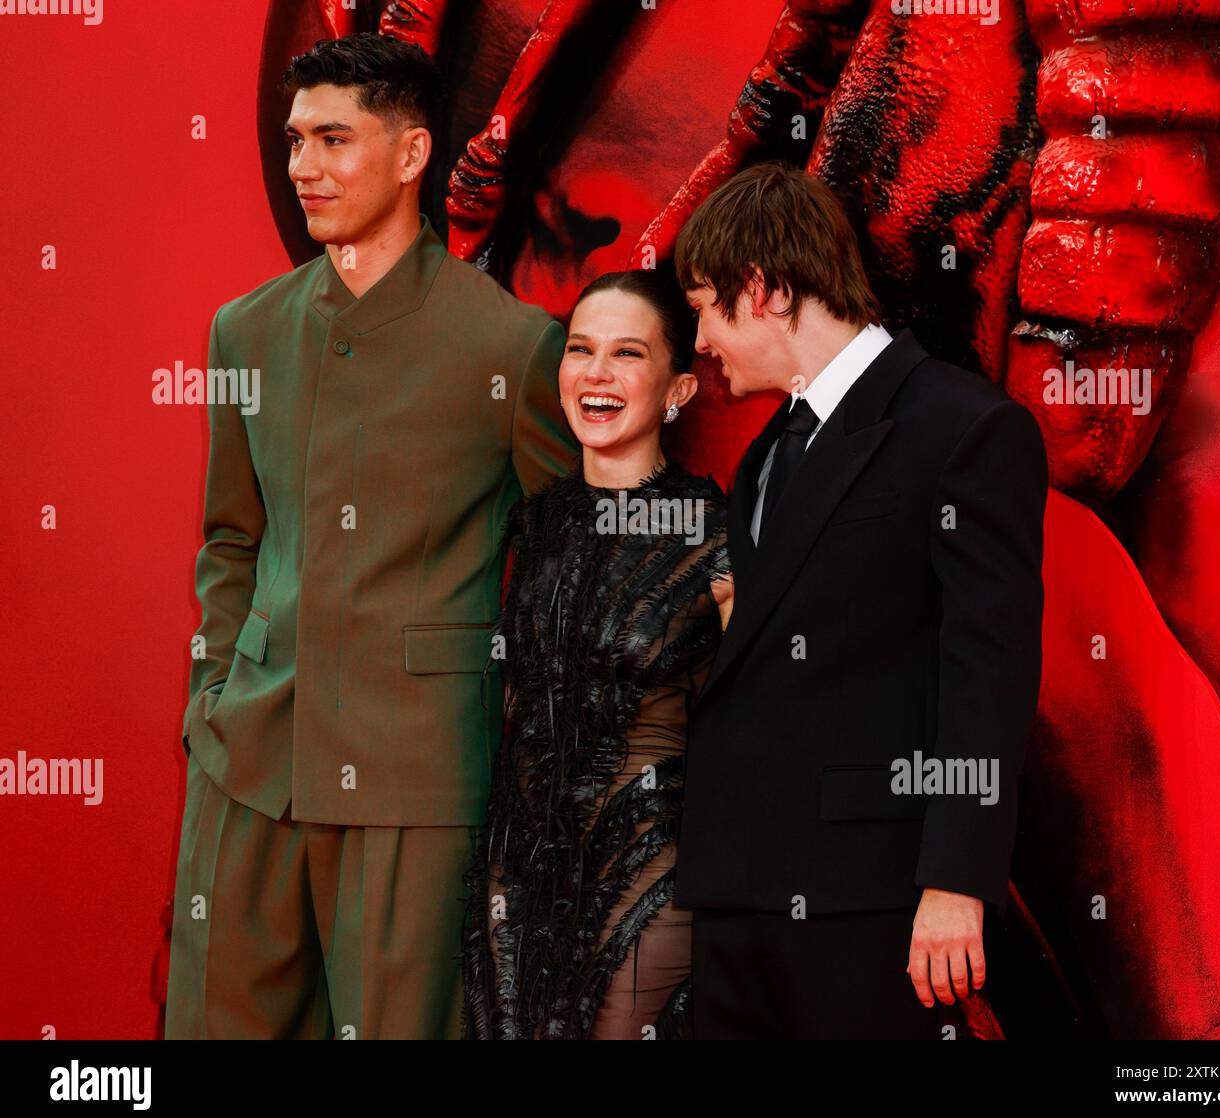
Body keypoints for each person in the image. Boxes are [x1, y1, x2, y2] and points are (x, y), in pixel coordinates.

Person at [165, 33, 578, 1039]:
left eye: (332, 139)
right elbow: (231, 538)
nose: (302, 165)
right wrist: (214, 690)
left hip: (420, 781)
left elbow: (575, 566)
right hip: (249, 765)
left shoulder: (513, 346)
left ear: (410, 155)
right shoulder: (243, 331)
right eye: (295, 138)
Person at [673, 162, 1048, 1039]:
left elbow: (987, 673)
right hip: (738, 895)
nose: (699, 340)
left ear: (761, 289)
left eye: (704, 306)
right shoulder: (768, 453)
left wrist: (956, 880)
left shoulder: (964, 429)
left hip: (873, 899)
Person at [460, 269, 729, 1040]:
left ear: (677, 390)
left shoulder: (716, 537)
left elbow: (756, 736)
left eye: (627, 354)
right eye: (581, 349)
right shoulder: (536, 525)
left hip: (646, 890)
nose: (597, 374)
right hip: (515, 892)